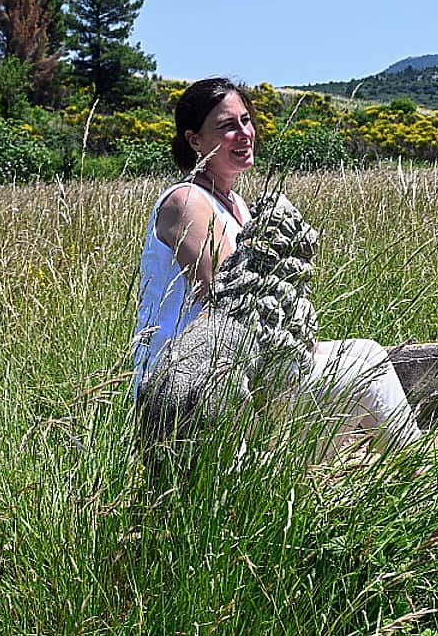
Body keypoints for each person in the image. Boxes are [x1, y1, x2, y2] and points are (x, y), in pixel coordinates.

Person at [132, 77, 423, 454]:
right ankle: (413, 473)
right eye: (227, 126)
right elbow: (228, 299)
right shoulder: (186, 201)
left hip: (240, 369)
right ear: (194, 140)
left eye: (246, 121)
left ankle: (300, 484)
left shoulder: (235, 203)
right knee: (366, 366)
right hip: (188, 390)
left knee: (362, 351)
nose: (244, 133)